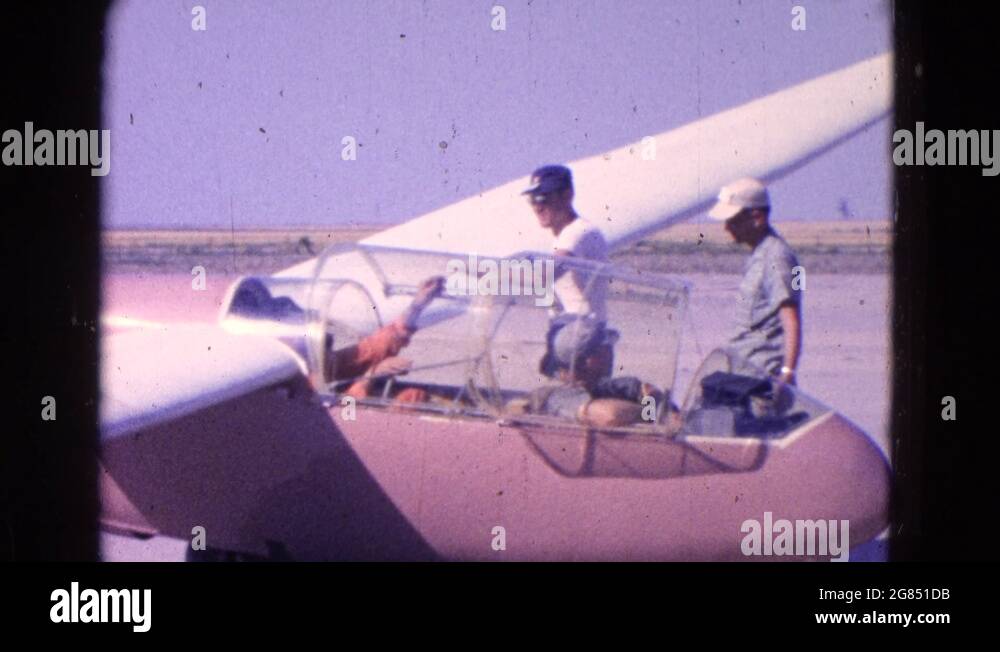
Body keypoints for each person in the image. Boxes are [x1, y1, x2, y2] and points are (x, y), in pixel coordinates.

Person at [706, 177, 803, 386]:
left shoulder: (777, 257)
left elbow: (791, 319)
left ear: (756, 217)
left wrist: (787, 372)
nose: (726, 227)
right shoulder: (759, 254)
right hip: (741, 374)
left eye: (732, 220)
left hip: (760, 380)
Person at [513, 315, 671, 428]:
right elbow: (610, 415)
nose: (611, 355)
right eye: (605, 349)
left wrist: (651, 398)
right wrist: (650, 412)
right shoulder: (555, 394)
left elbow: (645, 392)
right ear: (588, 359)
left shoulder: (596, 387)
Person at [325, 276, 445, 402]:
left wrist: (418, 304)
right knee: (412, 397)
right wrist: (373, 374)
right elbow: (347, 408)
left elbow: (376, 346)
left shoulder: (328, 362)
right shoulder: (305, 382)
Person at [522, 164, 609, 323]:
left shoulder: (576, 233)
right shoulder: (565, 235)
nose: (537, 207)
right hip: (575, 332)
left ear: (567, 195)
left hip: (583, 336)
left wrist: (490, 275)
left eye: (543, 198)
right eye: (532, 199)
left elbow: (545, 275)